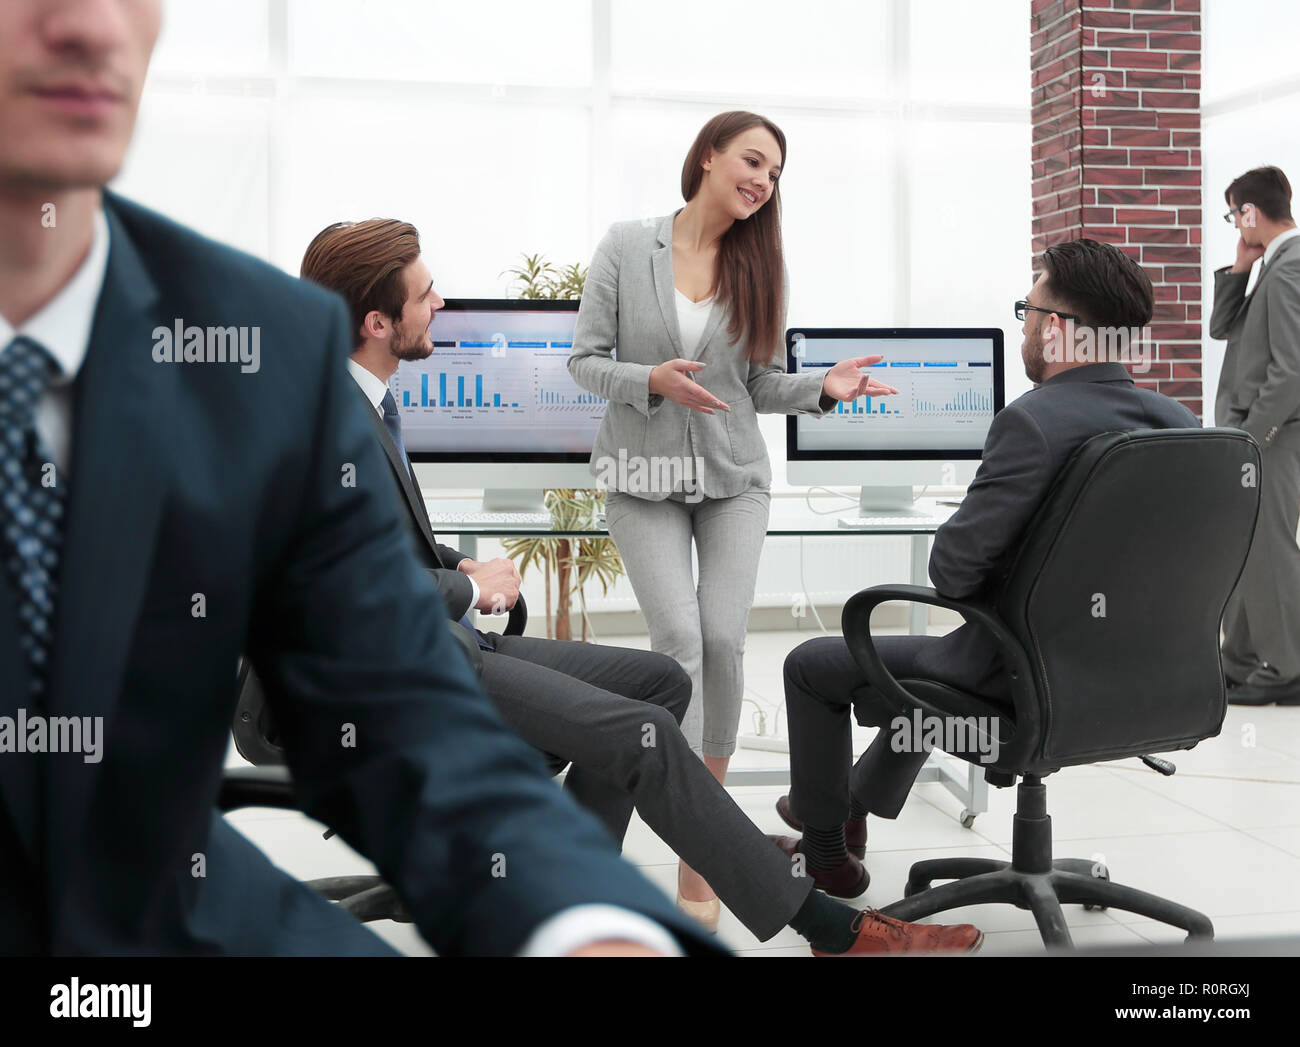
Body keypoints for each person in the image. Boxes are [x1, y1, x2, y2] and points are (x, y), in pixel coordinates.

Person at [0, 0, 719, 957]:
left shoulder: (239, 332)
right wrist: (466, 582)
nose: (95, 23)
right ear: (379, 321)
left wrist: (573, 919)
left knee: (634, 703)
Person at [296, 218, 982, 955]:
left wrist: (453, 568)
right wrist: (464, 591)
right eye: (426, 294)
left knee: (657, 680)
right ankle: (830, 930)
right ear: (377, 322)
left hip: (437, 639)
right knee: (646, 736)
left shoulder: (362, 402)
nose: (440, 305)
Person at [774, 239, 1199, 895]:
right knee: (935, 665)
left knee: (815, 664)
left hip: (1023, 684)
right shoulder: (1181, 426)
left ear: (1055, 328)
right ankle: (847, 804)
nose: (1022, 325)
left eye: (1026, 310)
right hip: (1143, 685)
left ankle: (825, 847)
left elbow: (952, 573)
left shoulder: (1032, 422)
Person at [567, 110, 897, 913]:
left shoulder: (760, 264)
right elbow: (583, 362)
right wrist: (652, 380)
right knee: (674, 641)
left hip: (732, 479)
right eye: (754, 160)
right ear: (709, 156)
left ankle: (698, 845)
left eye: (776, 172)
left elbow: (757, 389)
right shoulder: (625, 244)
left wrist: (821, 389)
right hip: (641, 474)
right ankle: (690, 826)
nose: (763, 180)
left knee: (721, 636)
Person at [1210, 165, 1300, 707]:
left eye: (1234, 214)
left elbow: (1292, 369)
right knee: (1244, 550)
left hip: (1271, 436)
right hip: (1254, 436)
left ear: (1250, 212)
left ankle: (1290, 668)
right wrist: (1240, 267)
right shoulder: (1272, 264)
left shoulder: (1291, 269)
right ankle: (1238, 661)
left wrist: (1254, 435)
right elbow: (1224, 328)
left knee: (1269, 551)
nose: (1234, 225)